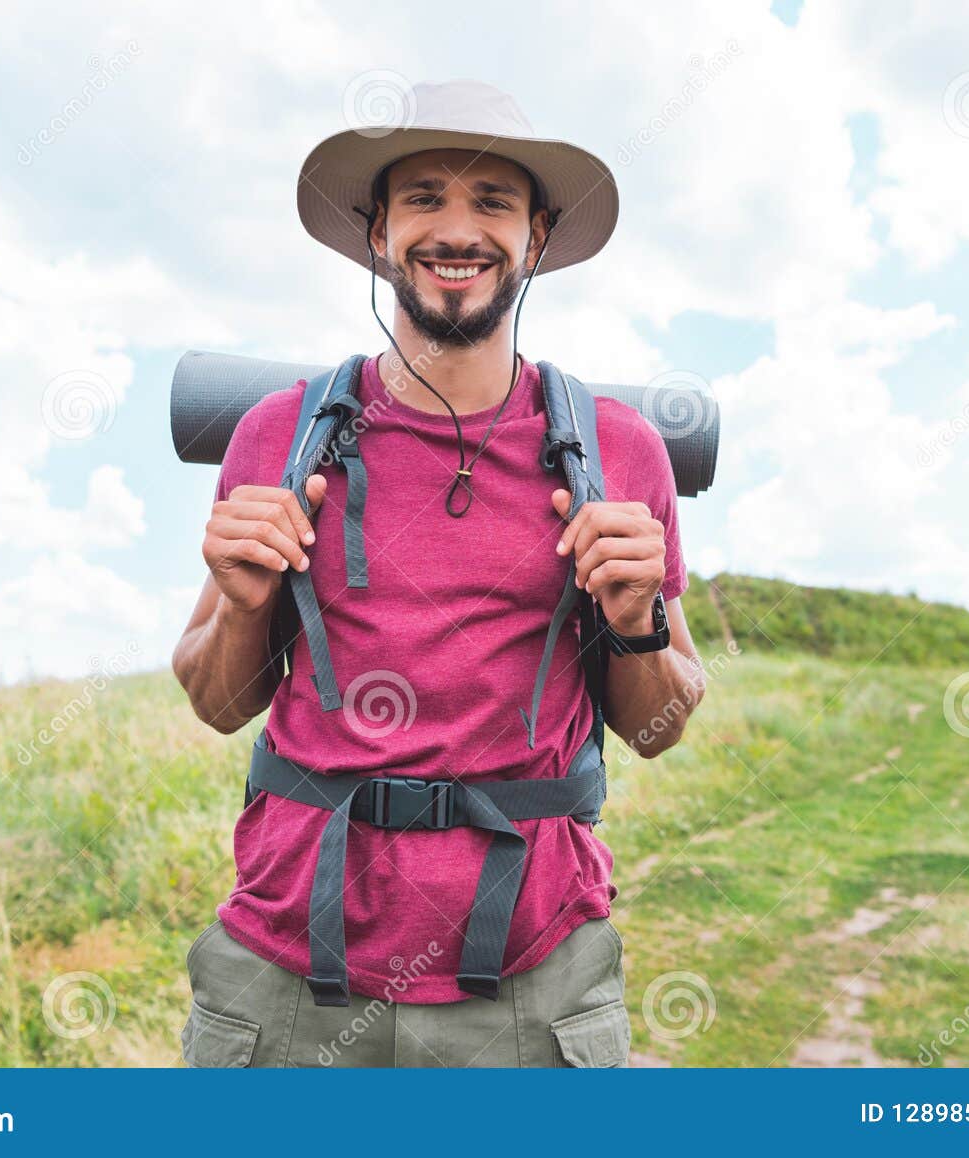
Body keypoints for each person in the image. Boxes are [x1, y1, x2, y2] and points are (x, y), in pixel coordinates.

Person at [171, 78, 706, 1067]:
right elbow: (215, 701)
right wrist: (244, 610)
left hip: (532, 977)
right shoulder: (280, 437)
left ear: (536, 238)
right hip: (289, 968)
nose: (455, 230)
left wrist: (634, 617)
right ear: (377, 231)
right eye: (422, 198)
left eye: (491, 203)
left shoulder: (617, 451)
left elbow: (658, 727)